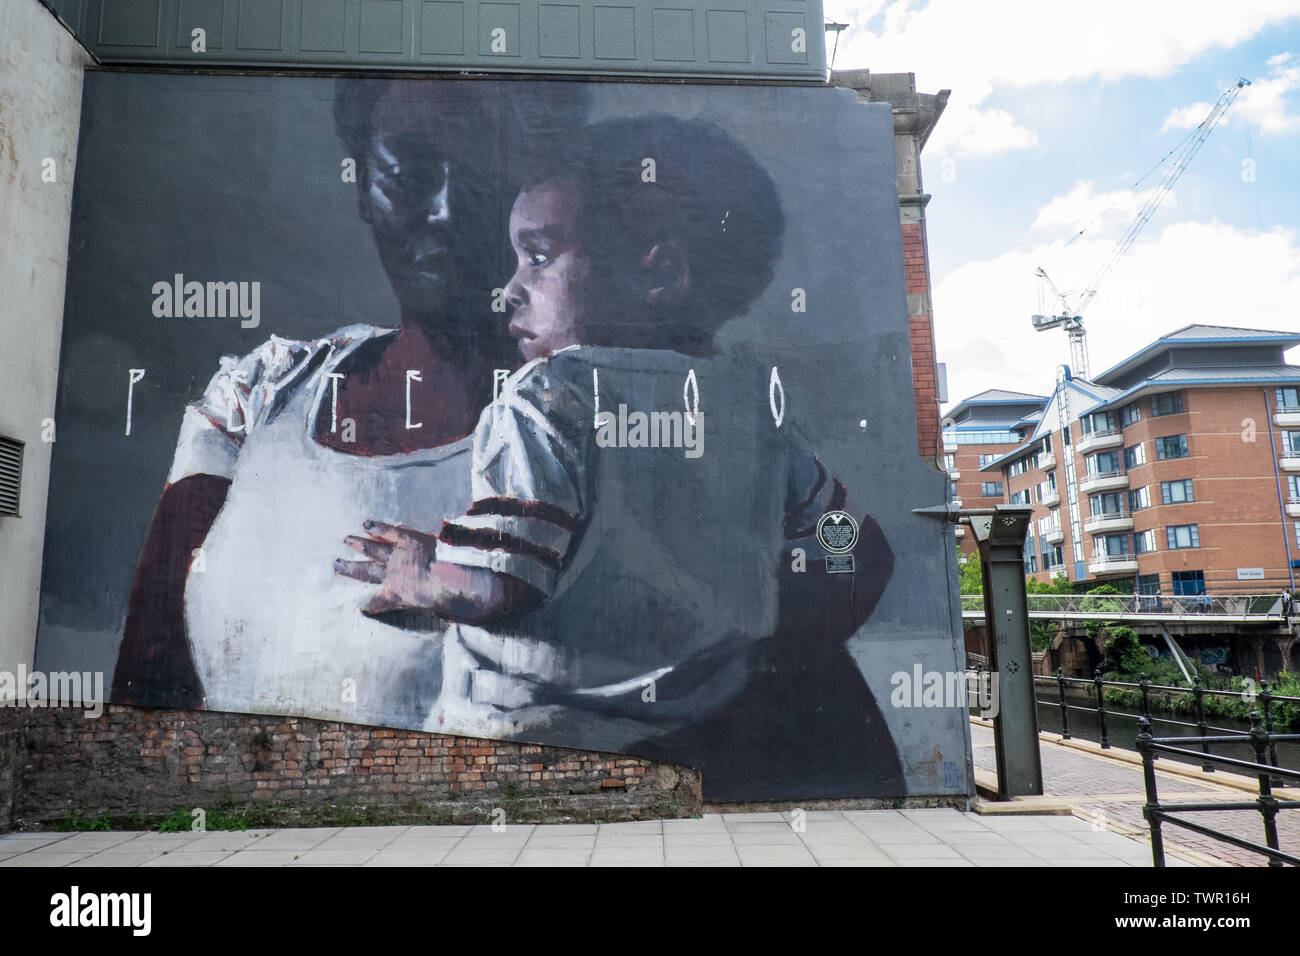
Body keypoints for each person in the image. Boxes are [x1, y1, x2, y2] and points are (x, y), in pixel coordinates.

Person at [335, 117, 902, 793]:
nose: (511, 288)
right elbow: (859, 549)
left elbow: (498, 583)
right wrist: (775, 645)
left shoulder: (546, 401)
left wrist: (424, 575)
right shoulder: (754, 410)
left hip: (543, 747)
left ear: (658, 276)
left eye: (538, 257)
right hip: (709, 723)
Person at [110, 78, 587, 728]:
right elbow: (147, 687)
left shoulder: (578, 436)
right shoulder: (260, 396)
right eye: (412, 172)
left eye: (483, 180)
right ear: (364, 188)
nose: (446, 213)